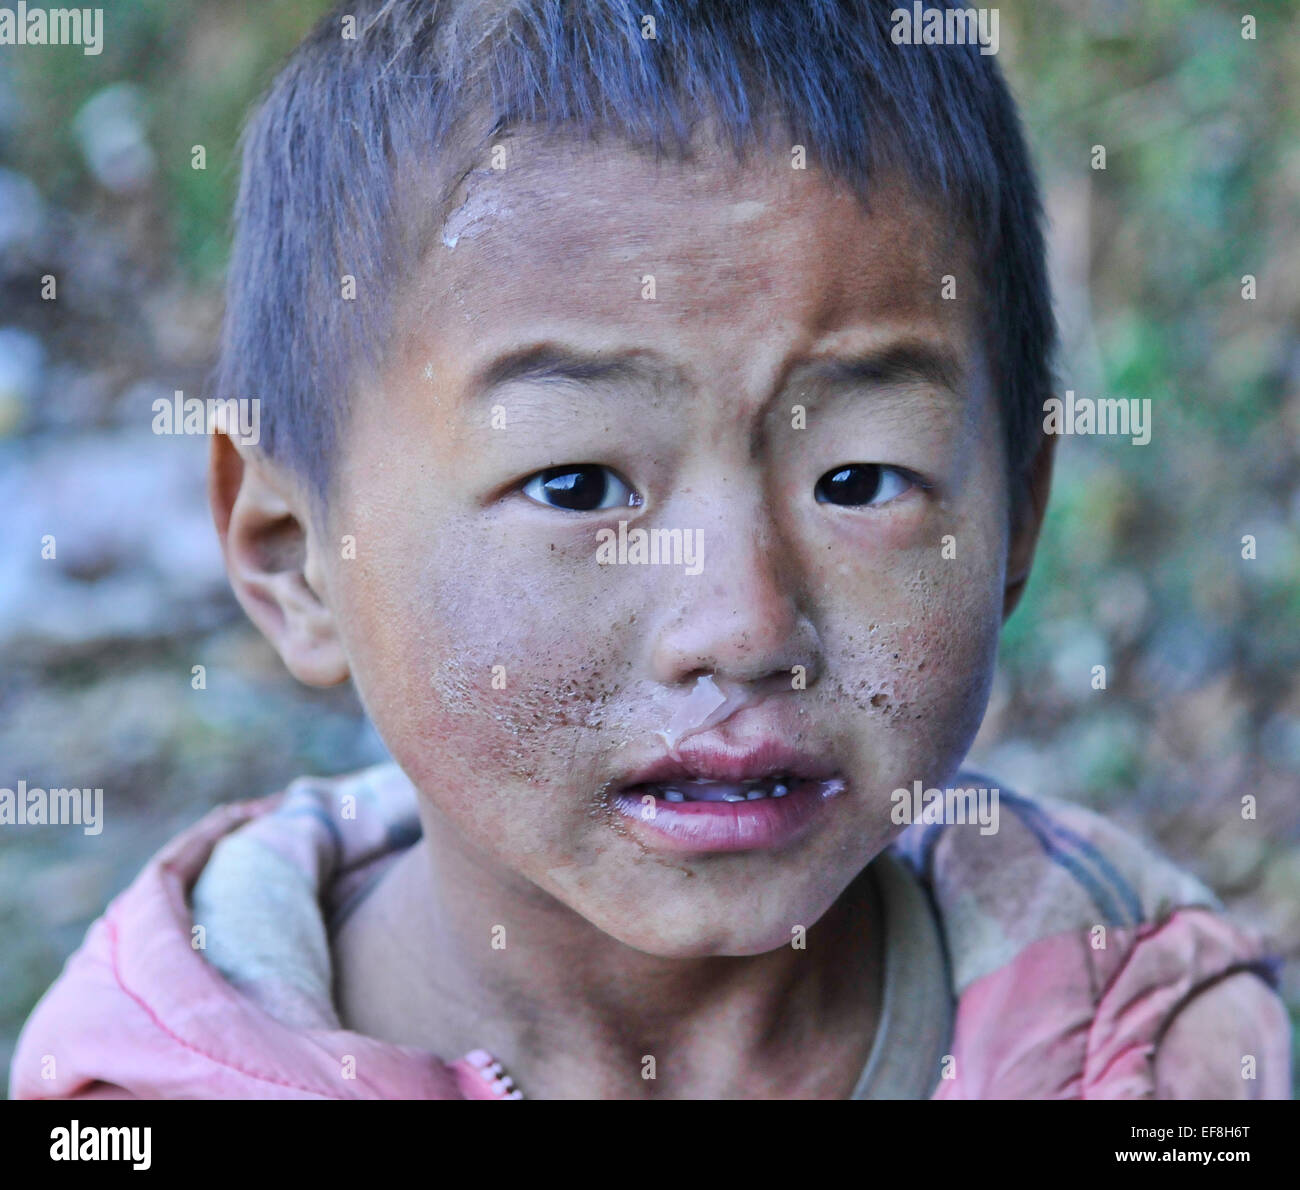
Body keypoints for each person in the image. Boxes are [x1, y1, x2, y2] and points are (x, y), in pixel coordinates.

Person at [12, 0, 1290, 1100]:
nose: (742, 623)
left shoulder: (1138, 1042)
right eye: (576, 483)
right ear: (294, 554)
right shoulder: (143, 1089)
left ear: (1014, 511)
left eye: (858, 478)